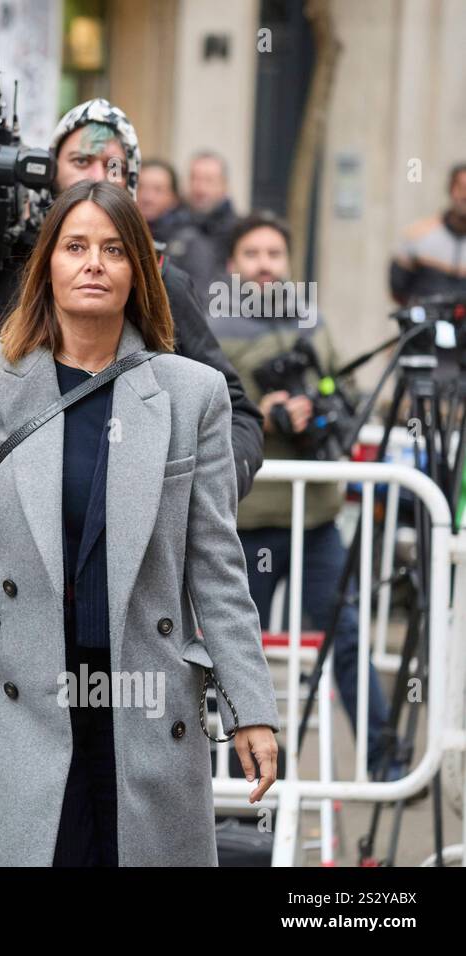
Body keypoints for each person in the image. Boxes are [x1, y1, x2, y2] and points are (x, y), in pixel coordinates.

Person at [0, 97, 264, 865]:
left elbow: (217, 569)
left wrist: (254, 708)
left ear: (140, 269)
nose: (93, 263)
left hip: (142, 696)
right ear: (45, 261)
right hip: (13, 686)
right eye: (76, 246)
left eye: (114, 250)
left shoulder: (191, 394)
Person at [213, 211, 393, 775]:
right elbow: (198, 409)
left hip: (316, 517)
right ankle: (244, 773)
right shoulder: (212, 326)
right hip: (248, 522)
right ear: (232, 264)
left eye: (274, 254)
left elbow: (347, 390)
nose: (265, 265)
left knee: (346, 635)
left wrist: (318, 404)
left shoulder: (310, 320)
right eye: (252, 255)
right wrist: (256, 416)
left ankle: (386, 761)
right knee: (240, 651)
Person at [137, 158, 219, 302]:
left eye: (158, 190)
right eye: (140, 188)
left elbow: (198, 297)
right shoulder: (121, 235)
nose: (147, 197)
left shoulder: (192, 241)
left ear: (173, 197)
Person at [389, 162, 466, 305]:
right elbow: (398, 287)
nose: (465, 195)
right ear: (451, 190)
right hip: (428, 321)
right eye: (461, 188)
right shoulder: (419, 236)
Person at [186, 150, 238, 262]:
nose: (200, 188)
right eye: (194, 179)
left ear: (224, 185)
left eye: (208, 180)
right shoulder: (175, 226)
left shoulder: (237, 232)